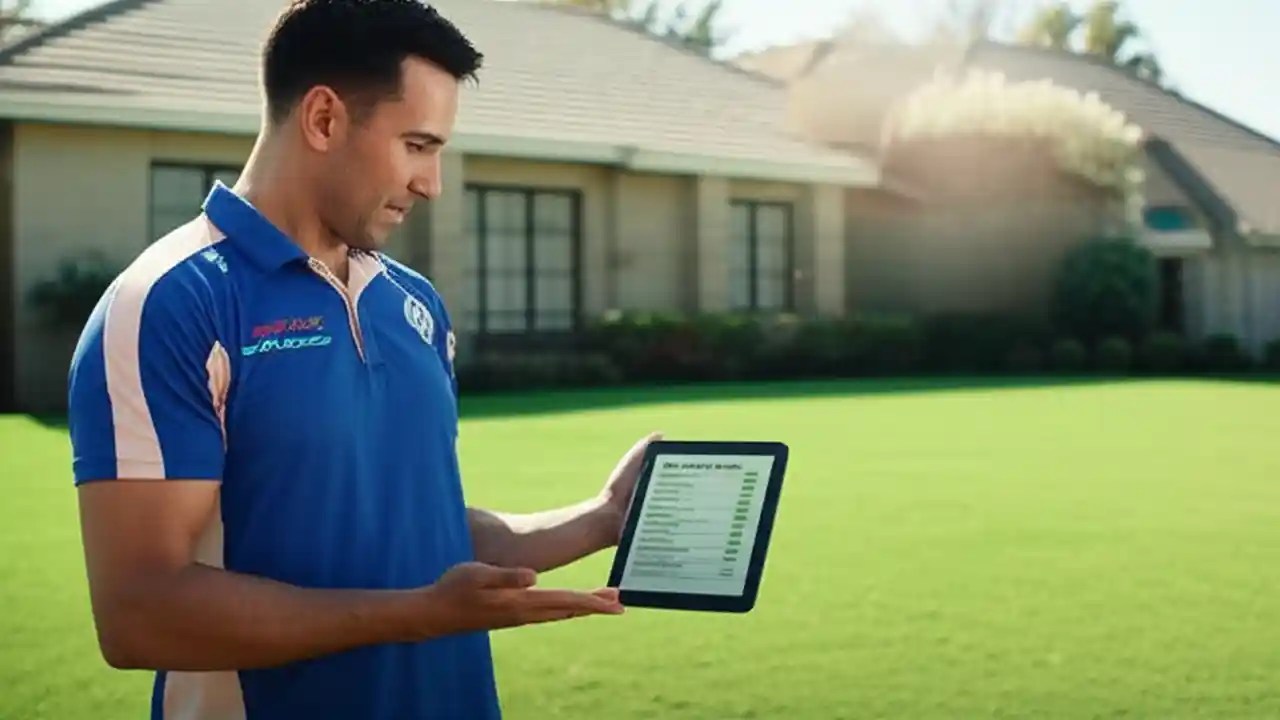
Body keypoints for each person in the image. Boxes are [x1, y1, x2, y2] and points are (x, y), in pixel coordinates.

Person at [66, 1, 660, 718]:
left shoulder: (412, 303)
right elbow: (140, 612)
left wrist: (601, 519)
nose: (432, 183)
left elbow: (414, 525)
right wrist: (416, 615)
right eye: (416, 145)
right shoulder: (168, 303)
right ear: (323, 119)